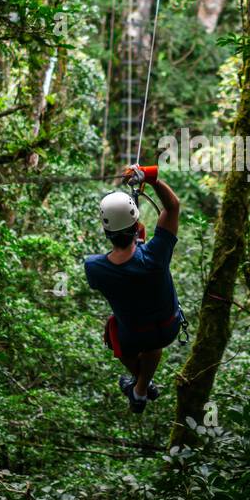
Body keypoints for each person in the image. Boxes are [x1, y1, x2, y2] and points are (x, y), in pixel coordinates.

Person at [83, 163, 182, 413]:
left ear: (107, 230)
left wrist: (135, 241)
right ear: (136, 224)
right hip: (169, 327)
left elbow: (123, 267)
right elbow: (172, 206)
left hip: (135, 336)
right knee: (151, 340)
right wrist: (150, 177)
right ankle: (139, 390)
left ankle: (140, 386)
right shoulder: (156, 255)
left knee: (113, 326)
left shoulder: (95, 268)